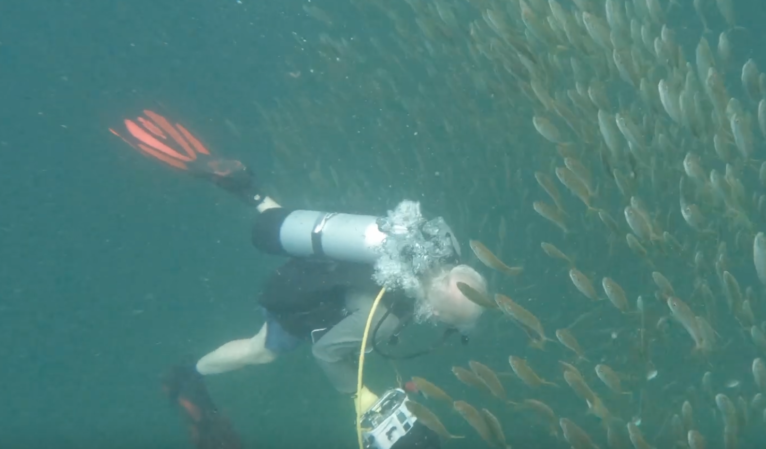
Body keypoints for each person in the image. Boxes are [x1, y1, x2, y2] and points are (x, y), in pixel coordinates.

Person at [112, 110, 490, 449]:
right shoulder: (386, 317)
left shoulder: (441, 245)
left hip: (327, 250)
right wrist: (356, 392)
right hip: (302, 291)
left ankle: (249, 190)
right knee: (260, 350)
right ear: (436, 313)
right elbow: (324, 351)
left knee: (296, 233)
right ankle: (191, 374)